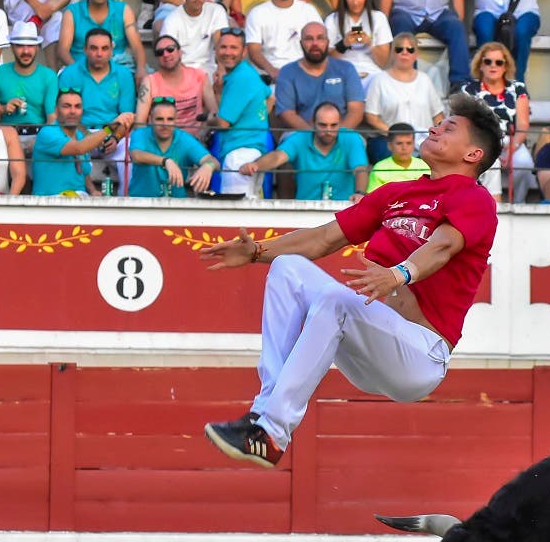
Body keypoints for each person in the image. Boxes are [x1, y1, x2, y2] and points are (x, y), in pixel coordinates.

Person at [200, 94, 502, 468]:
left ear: (473, 155)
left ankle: (274, 432)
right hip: (368, 344)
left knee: (336, 301)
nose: (436, 127)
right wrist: (257, 252)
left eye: (449, 127)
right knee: (287, 268)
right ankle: (262, 419)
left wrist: (398, 273)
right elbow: (324, 238)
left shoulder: (475, 198)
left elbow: (443, 246)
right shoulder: (397, 192)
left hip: (419, 356)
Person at [58, 27, 136, 193]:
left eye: (104, 48)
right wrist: (87, 136)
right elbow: (65, 115)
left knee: (130, 153)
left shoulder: (124, 75)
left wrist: (115, 137)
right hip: (79, 132)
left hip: (112, 133)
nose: (99, 53)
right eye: (93, 48)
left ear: (111, 51)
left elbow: (126, 117)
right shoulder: (70, 74)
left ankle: (127, 204)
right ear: (85, 50)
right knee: (67, 146)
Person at [239, 101, 369, 200]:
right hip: (306, 209)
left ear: (340, 123)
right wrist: (256, 165)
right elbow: (278, 157)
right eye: (323, 125)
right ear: (313, 123)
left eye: (333, 125)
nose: (328, 130)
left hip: (344, 209)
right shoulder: (300, 138)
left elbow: (360, 169)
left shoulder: (352, 138)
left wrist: (359, 193)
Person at [378, 0, 469, 93]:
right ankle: (407, 81)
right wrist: (382, 27)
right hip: (406, 11)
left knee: (456, 27)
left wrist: (459, 20)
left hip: (438, 13)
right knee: (401, 28)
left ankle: (460, 85)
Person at [460, 42, 532, 204]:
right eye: (488, 62)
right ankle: (490, 205)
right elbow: (465, 124)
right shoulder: (469, 90)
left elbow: (523, 125)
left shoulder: (518, 88)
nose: (493, 66)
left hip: (510, 141)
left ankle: (518, 203)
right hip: (481, 142)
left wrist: (512, 148)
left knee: (525, 163)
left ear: (506, 66)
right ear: (480, 65)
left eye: (499, 62)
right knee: (491, 163)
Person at [209, 27, 272, 197]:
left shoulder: (240, 78)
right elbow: (270, 97)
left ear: (244, 51)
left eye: (233, 47)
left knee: (235, 215)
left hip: (239, 155)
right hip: (254, 152)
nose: (228, 52)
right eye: (223, 47)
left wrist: (208, 120)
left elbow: (223, 123)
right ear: (215, 51)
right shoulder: (247, 72)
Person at [364, 33, 444, 161]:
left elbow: (438, 115)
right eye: (399, 49)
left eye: (410, 49)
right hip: (390, 141)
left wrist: (433, 136)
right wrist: (398, 135)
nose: (404, 52)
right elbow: (371, 117)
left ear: (416, 54)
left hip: (422, 141)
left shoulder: (425, 80)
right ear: (393, 53)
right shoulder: (379, 79)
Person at [57, 0, 146, 80]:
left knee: (147, 82)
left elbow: (137, 46)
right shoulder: (72, 12)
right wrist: (80, 71)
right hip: (81, 65)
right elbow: (63, 50)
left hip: (119, 66)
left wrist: (141, 69)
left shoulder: (123, 10)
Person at [274, 22, 365, 133]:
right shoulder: (287, 72)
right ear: (301, 43)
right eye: (309, 39)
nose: (315, 43)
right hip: (300, 135)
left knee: (357, 145)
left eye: (320, 38)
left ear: (327, 42)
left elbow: (356, 110)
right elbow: (287, 113)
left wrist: (338, 135)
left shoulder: (346, 69)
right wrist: (314, 136)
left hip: (342, 134)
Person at [30, 88, 119, 195]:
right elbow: (79, 148)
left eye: (77, 106)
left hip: (79, 199)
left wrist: (93, 190)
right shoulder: (48, 133)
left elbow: (84, 172)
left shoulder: (80, 136)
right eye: (66, 106)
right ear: (56, 111)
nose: (72, 111)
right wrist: (110, 129)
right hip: (52, 201)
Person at [244, 0, 322, 81]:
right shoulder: (257, 13)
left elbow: (320, 45)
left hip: (302, 76)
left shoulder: (309, 12)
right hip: (268, 78)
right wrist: (272, 71)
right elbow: (254, 51)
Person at [469, 0, 544, 79]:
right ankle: (484, 83)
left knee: (522, 31)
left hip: (524, 12)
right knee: (485, 29)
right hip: (488, 12)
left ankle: (517, 84)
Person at [128, 96, 218, 197]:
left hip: (176, 205)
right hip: (140, 204)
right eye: (159, 119)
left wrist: (208, 166)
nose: (165, 124)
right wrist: (166, 161)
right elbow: (136, 155)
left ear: (176, 120)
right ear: (150, 120)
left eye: (170, 119)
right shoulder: (140, 134)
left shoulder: (184, 139)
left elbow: (213, 161)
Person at [3, 0, 83, 69]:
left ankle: (40, 18)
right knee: (56, 18)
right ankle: (53, 75)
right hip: (24, 2)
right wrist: (37, 6)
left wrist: (43, 11)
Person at [0, 21, 59, 152]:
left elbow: (52, 118)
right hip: (4, 137)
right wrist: (3, 108)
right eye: (20, 46)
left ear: (37, 47)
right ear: (11, 47)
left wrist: (41, 140)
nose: (25, 51)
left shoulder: (49, 76)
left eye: (30, 46)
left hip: (39, 135)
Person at [135, 34, 216, 137]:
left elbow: (214, 113)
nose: (166, 54)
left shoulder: (200, 76)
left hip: (194, 141)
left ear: (180, 52)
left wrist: (202, 134)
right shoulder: (149, 82)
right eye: (160, 52)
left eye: (170, 49)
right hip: (161, 141)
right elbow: (139, 123)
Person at [324, 0, 392, 91]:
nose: (355, 3)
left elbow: (383, 62)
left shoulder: (378, 18)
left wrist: (370, 43)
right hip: (342, 72)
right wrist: (343, 45)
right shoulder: (332, 19)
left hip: (372, 73)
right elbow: (327, 62)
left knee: (384, 86)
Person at [156, 0, 229, 78]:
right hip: (181, 73)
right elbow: (168, 57)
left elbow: (221, 42)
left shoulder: (217, 11)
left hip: (209, 71)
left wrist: (222, 68)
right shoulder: (172, 19)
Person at [366, 121, 429, 191]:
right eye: (399, 143)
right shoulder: (379, 168)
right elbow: (373, 198)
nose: (404, 148)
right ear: (389, 145)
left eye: (409, 143)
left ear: (414, 144)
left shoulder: (426, 166)